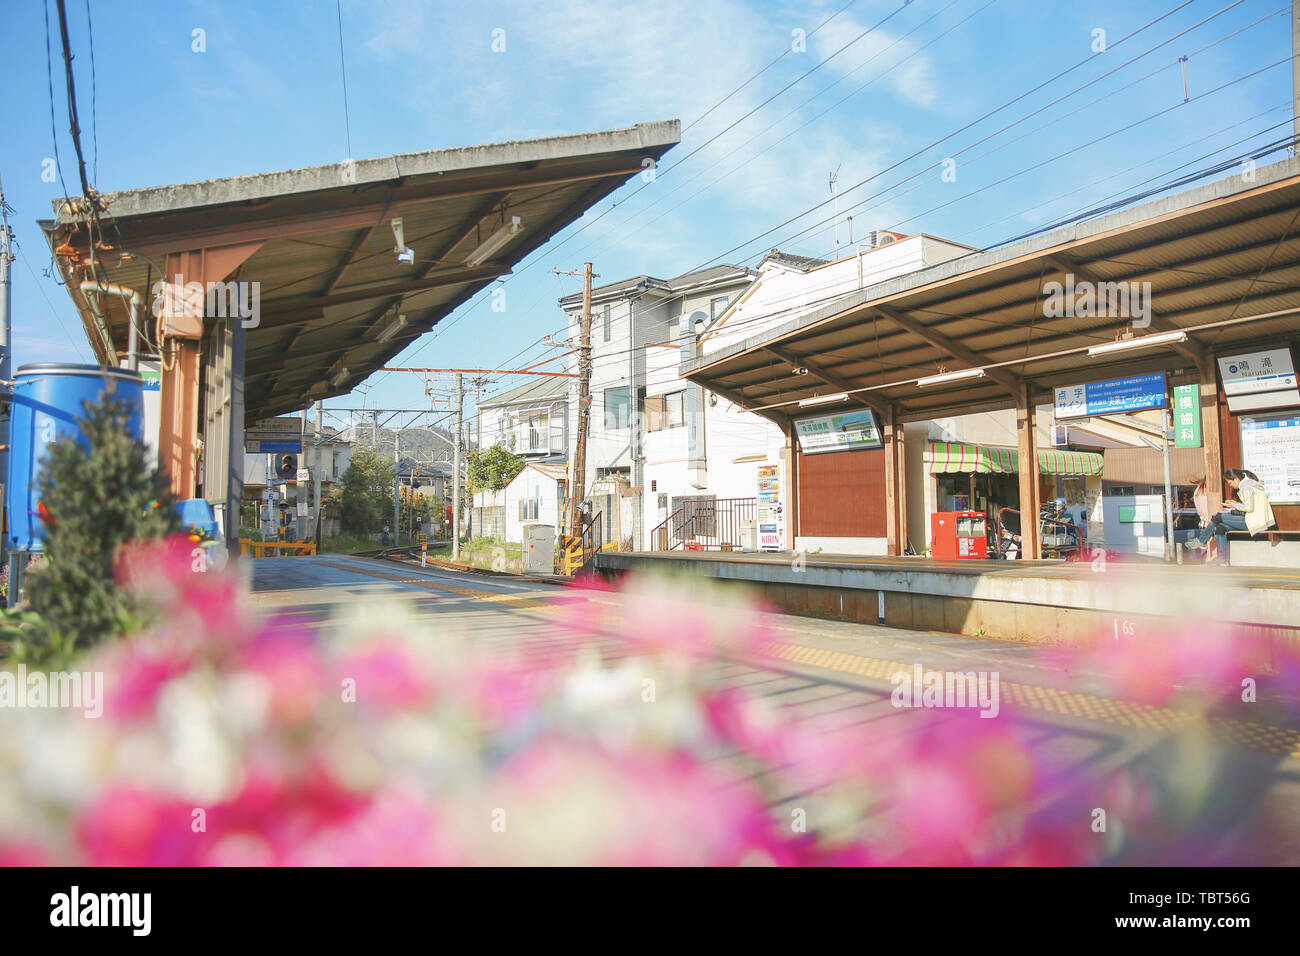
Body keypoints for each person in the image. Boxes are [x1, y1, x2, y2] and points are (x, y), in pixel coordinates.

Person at [1186, 469, 1275, 565]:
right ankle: (1222, 560)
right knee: (1220, 528)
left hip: (1254, 521)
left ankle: (1201, 540)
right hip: (1256, 520)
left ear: (1236, 479)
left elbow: (1249, 507)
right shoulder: (1250, 485)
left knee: (1218, 517)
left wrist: (1234, 505)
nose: (1230, 485)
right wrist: (1235, 504)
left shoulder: (1246, 487)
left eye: (1230, 483)